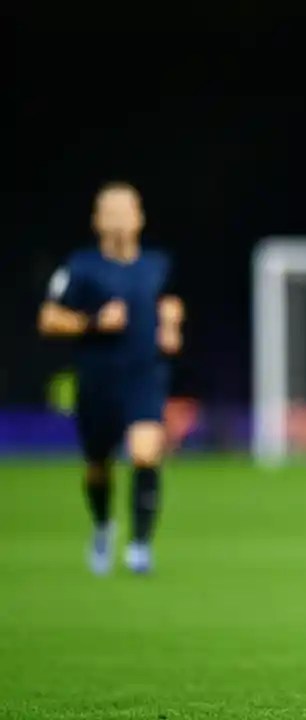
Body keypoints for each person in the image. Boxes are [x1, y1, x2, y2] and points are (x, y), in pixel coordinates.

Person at [39, 181, 183, 576]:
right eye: (111, 212)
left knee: (145, 453)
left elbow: (170, 300)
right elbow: (49, 317)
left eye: (126, 211)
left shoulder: (157, 264)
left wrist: (170, 324)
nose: (119, 219)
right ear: (97, 220)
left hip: (144, 375)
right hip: (98, 380)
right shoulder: (80, 267)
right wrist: (92, 322)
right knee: (97, 465)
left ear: (140, 218)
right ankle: (103, 525)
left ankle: (140, 546)